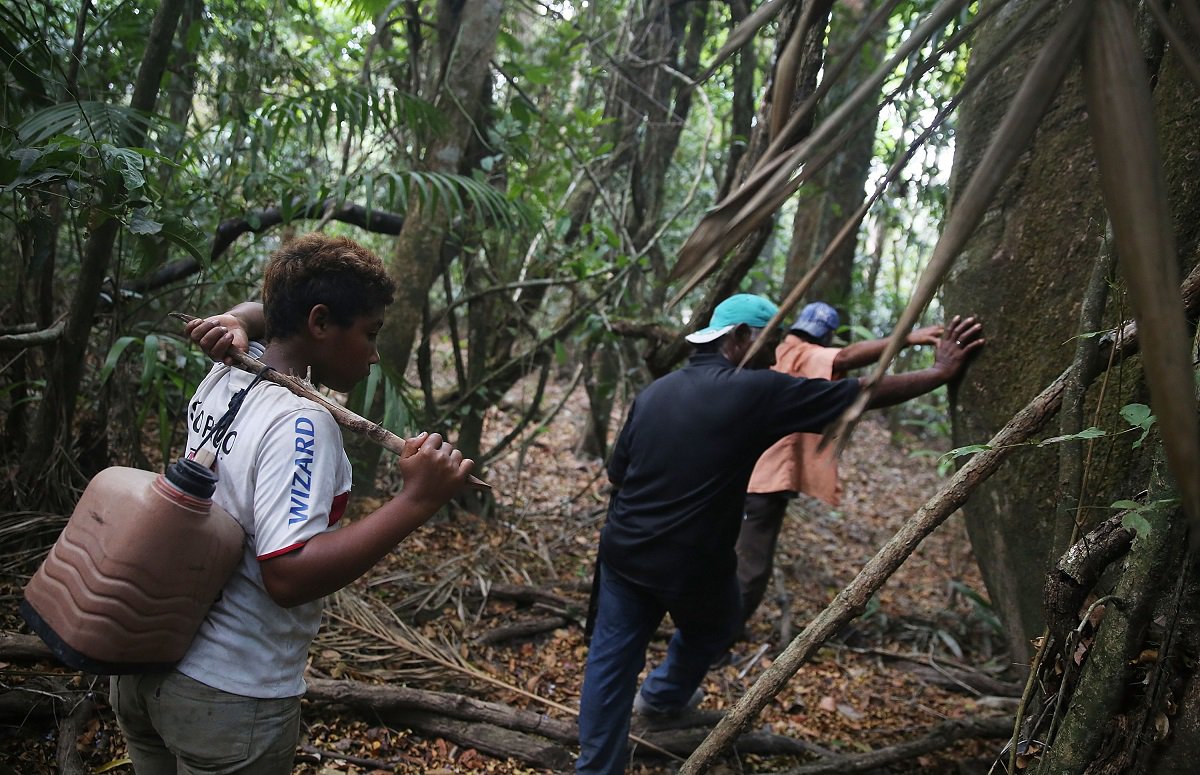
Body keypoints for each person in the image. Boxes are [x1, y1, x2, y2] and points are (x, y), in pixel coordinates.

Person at [110, 234, 475, 774]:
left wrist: (235, 317)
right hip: (229, 695)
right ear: (321, 323)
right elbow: (287, 574)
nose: (375, 353)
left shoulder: (229, 368)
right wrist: (415, 502)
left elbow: (271, 318)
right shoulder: (303, 422)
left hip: (146, 662)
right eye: (370, 334)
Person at [576, 293, 983, 775]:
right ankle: (663, 697)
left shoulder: (656, 392)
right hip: (692, 562)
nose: (775, 357)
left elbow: (616, 477)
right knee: (719, 623)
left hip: (625, 552)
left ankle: (604, 761)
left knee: (611, 660)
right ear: (741, 337)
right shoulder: (756, 391)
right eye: (769, 345)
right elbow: (861, 393)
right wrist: (938, 375)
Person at [736, 301, 943, 625]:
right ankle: (718, 641)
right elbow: (845, 357)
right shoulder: (802, 353)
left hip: (749, 474)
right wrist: (908, 338)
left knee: (738, 558)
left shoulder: (783, 352)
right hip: (765, 481)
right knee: (751, 566)